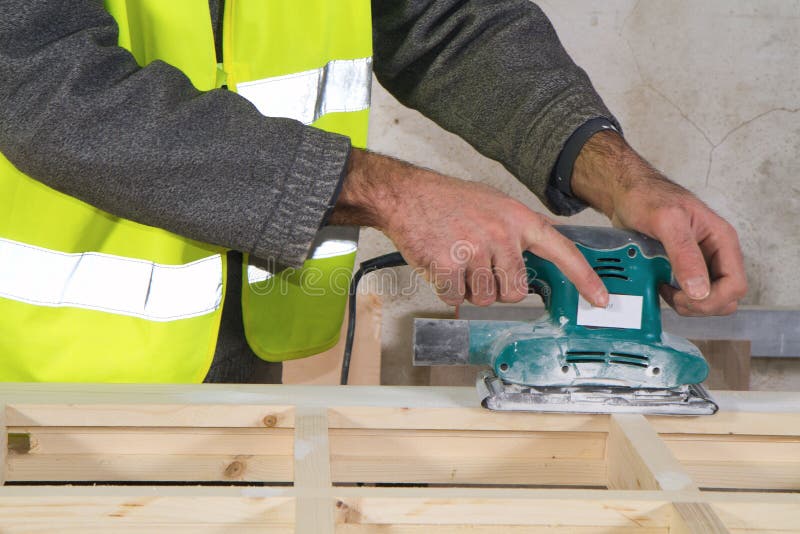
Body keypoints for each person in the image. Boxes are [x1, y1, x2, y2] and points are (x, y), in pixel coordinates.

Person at [0, 1, 746, 384]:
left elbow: (443, 18)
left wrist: (617, 172)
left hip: (235, 357)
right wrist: (388, 190)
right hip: (34, 374)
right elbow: (40, 82)